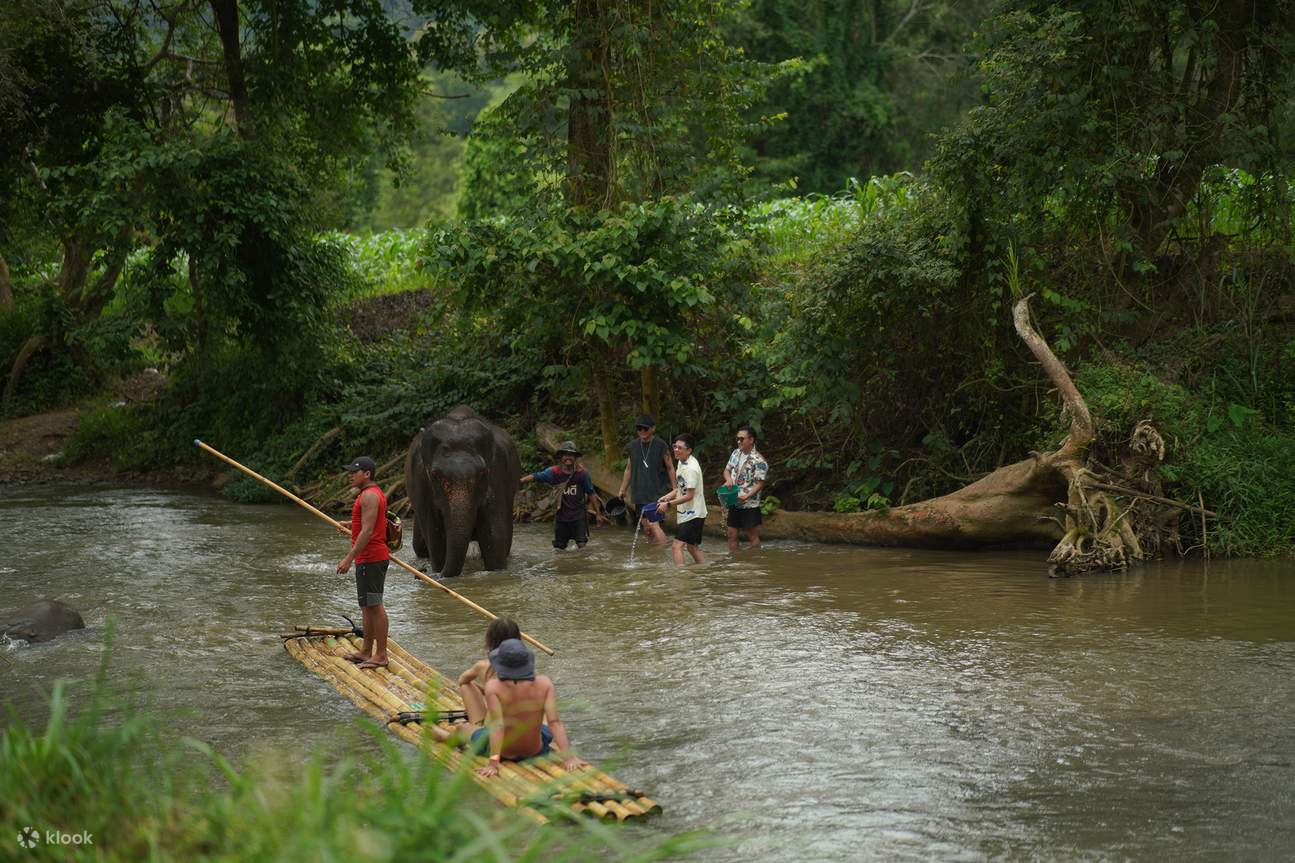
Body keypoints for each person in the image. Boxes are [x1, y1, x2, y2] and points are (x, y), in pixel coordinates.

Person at [470, 637, 586, 776]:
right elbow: (554, 722)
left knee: (465, 729)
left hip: (505, 753)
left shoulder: (493, 686)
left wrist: (493, 764)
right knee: (544, 726)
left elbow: (497, 726)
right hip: (536, 752)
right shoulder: (545, 683)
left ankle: (446, 736)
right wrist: (569, 758)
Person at [336, 456, 390, 670]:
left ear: (367, 474)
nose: (350, 475)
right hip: (368, 558)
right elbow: (370, 522)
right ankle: (366, 651)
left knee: (375, 605)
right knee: (366, 606)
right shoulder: (370, 494)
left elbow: (368, 531)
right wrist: (351, 524)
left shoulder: (369, 495)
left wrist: (348, 558)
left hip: (372, 558)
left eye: (354, 471)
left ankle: (382, 654)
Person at [520, 441, 604, 549]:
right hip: (561, 518)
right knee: (559, 549)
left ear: (575, 457)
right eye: (565, 455)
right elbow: (536, 476)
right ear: (561, 457)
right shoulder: (553, 472)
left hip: (578, 517)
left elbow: (591, 493)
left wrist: (598, 514)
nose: (568, 458)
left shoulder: (582, 473)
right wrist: (521, 480)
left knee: (582, 547)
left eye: (571, 455)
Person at [618, 415, 675, 544]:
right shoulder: (632, 446)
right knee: (647, 528)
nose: (642, 431)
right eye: (639, 428)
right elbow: (628, 469)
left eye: (645, 428)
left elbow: (670, 468)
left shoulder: (661, 445)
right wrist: (623, 489)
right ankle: (652, 556)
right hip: (639, 493)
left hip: (656, 493)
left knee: (653, 524)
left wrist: (675, 489)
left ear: (653, 429)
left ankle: (663, 554)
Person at [456, 617, 521, 730]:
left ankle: (477, 726)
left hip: (495, 733)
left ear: (490, 640)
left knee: (466, 685)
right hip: (523, 728)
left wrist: (485, 690)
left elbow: (462, 680)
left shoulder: (483, 666)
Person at [658, 433, 707, 565]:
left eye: (680, 448)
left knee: (676, 546)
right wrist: (667, 496)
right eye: (675, 446)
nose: (676, 450)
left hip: (693, 514)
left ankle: (681, 578)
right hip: (690, 513)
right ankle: (705, 571)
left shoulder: (691, 469)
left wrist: (668, 504)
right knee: (692, 547)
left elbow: (689, 495)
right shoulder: (682, 462)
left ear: (689, 450)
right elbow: (681, 488)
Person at [723, 426, 770, 552]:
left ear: (751, 440)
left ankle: (755, 561)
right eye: (737, 439)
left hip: (749, 504)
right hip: (734, 500)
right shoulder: (736, 453)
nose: (739, 441)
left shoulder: (759, 460)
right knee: (731, 534)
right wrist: (728, 480)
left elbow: (760, 484)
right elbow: (727, 470)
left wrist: (746, 496)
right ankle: (734, 561)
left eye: (742, 439)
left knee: (752, 535)